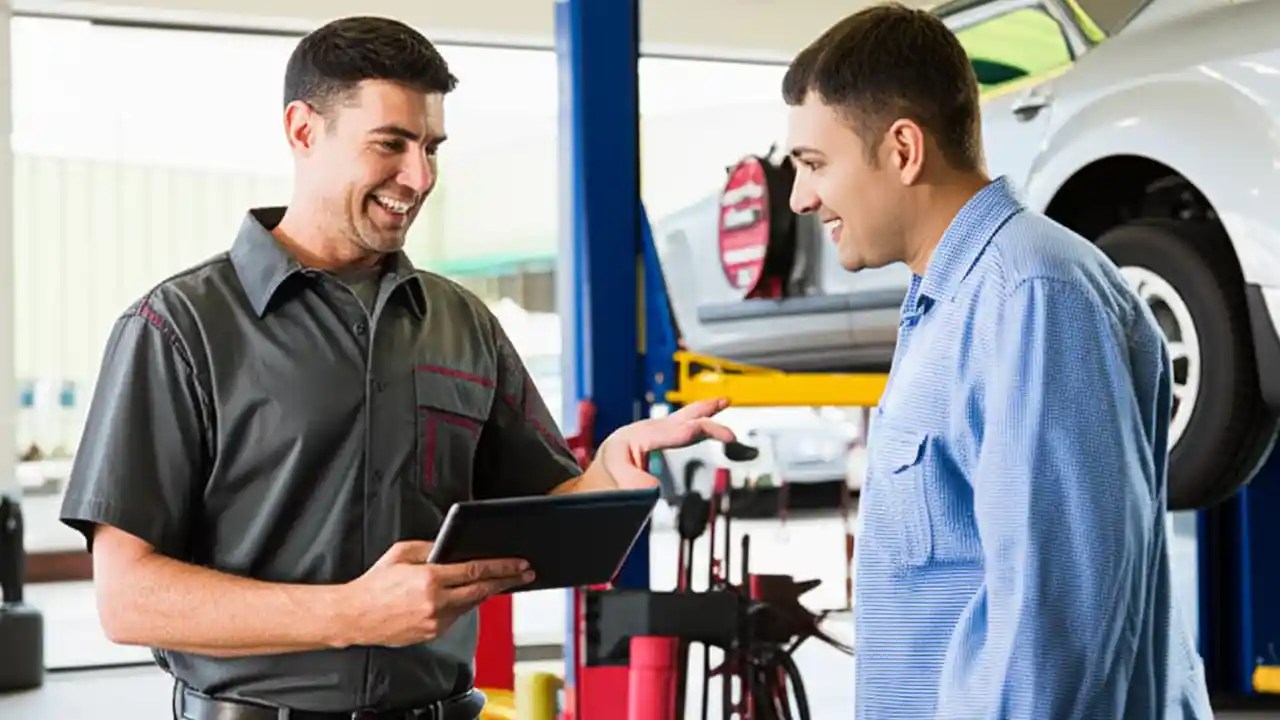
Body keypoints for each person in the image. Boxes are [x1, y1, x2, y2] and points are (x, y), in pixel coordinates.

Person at [58, 15, 733, 720]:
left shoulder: (462, 324)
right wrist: (350, 613)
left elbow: (538, 521)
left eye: (431, 146)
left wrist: (606, 478)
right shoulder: (179, 328)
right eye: (390, 144)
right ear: (302, 130)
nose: (419, 177)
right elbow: (127, 598)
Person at [782, 4, 1213, 719]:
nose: (798, 197)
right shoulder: (947, 305)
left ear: (903, 150)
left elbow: (1057, 630)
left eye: (814, 164)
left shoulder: (1031, 297)